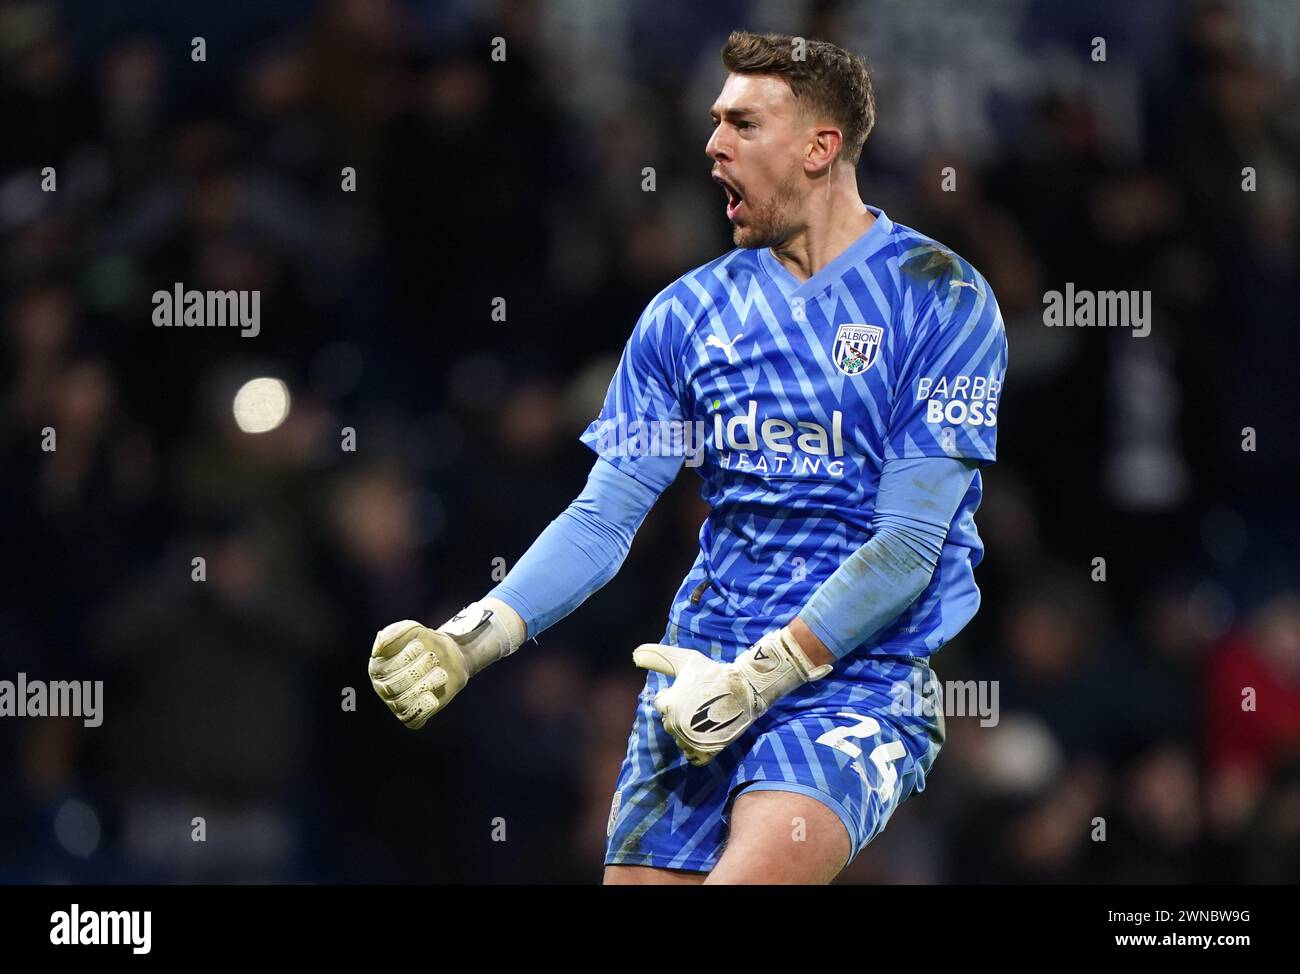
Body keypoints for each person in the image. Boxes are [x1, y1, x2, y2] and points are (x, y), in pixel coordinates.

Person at [368, 30, 1008, 885]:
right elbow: (603, 517)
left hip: (850, 679)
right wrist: (468, 641)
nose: (712, 146)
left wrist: (761, 678)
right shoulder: (685, 315)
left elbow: (906, 546)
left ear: (821, 147)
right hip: (694, 678)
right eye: (715, 122)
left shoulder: (938, 294)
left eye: (742, 125)